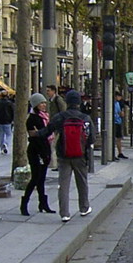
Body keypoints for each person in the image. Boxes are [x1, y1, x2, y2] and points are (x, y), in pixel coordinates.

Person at [39, 90, 95, 222]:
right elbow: (91, 138)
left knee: (63, 184)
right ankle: (84, 207)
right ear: (79, 102)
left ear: (67, 102)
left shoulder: (60, 116)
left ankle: (64, 213)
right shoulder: (85, 118)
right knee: (82, 182)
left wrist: (37, 134)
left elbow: (47, 130)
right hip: (80, 155)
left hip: (63, 154)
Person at [20, 93, 54, 215]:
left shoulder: (45, 117)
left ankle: (43, 203)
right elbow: (34, 135)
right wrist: (41, 133)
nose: (44, 105)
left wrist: (41, 133)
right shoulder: (32, 119)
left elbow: (43, 133)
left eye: (44, 102)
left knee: (42, 179)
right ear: (35, 105)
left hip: (45, 150)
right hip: (36, 151)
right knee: (35, 178)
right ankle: (24, 203)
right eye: (41, 103)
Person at [113, 91, 128, 159]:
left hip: (118, 122)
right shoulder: (113, 104)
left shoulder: (118, 103)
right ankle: (113, 152)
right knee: (115, 138)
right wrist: (119, 114)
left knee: (119, 138)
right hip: (115, 122)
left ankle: (120, 152)